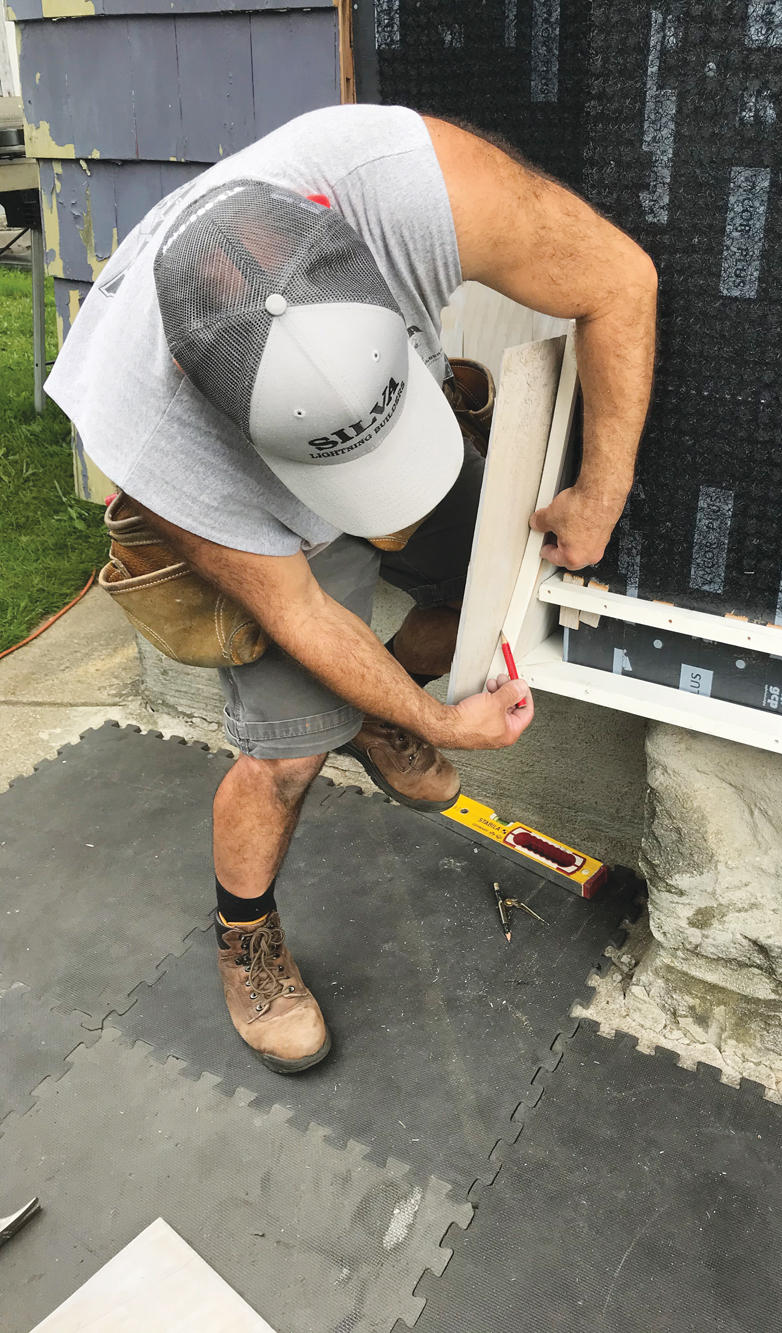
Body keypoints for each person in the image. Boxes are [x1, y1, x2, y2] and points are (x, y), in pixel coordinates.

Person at [45, 105, 657, 1074]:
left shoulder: (406, 187)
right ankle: (245, 937)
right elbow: (297, 610)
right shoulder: (163, 441)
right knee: (286, 755)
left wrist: (602, 488)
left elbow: (622, 280)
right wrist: (439, 718)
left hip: (337, 358)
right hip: (239, 484)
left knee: (475, 579)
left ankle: (373, 715)